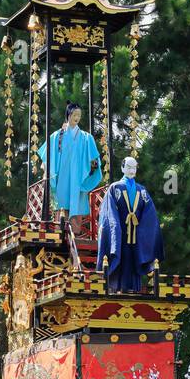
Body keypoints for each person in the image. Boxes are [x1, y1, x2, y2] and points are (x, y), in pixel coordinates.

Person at [97, 155, 165, 292]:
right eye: (129, 167)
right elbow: (108, 211)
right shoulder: (115, 188)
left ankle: (134, 287)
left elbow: (150, 212)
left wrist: (144, 230)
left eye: (134, 167)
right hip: (121, 228)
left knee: (135, 255)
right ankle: (118, 286)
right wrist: (115, 228)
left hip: (137, 230)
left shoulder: (142, 190)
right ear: (122, 168)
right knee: (121, 254)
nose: (132, 170)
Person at [38, 101, 101, 232]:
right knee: (61, 205)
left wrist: (90, 173)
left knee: (76, 204)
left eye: (79, 115)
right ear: (68, 115)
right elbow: (46, 157)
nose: (77, 118)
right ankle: (60, 231)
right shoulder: (57, 136)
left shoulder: (86, 138)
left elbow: (94, 160)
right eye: (74, 115)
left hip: (78, 179)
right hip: (62, 178)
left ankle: (75, 233)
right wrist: (46, 171)